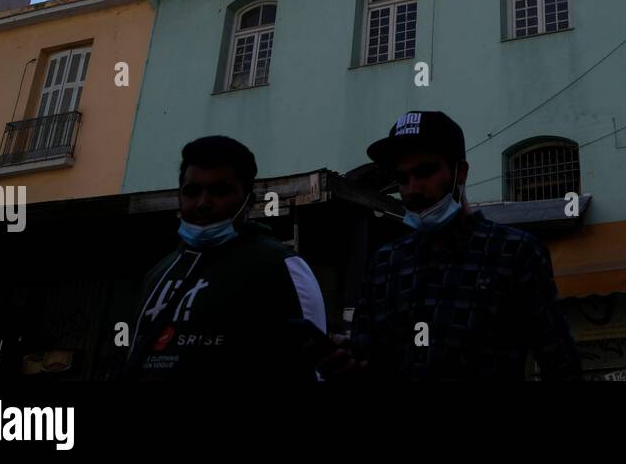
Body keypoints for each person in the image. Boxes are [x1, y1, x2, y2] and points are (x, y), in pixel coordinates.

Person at [322, 111, 580, 380]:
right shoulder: (385, 264)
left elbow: (561, 365)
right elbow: (370, 361)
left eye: (424, 172)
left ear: (461, 173)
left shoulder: (515, 254)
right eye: (402, 178)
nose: (412, 188)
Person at [122, 135, 327, 379]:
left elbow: (313, 370)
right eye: (192, 191)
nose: (203, 203)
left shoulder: (281, 267)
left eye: (219, 191)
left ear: (248, 201)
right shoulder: (158, 273)